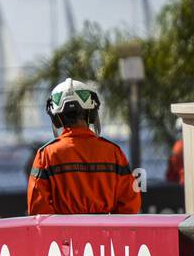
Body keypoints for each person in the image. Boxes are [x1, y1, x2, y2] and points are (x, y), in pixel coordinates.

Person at [27, 78, 140, 215]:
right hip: (106, 228)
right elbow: (130, 205)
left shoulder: (46, 155)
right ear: (91, 114)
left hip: (62, 229)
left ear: (56, 118)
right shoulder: (114, 153)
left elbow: (38, 209)